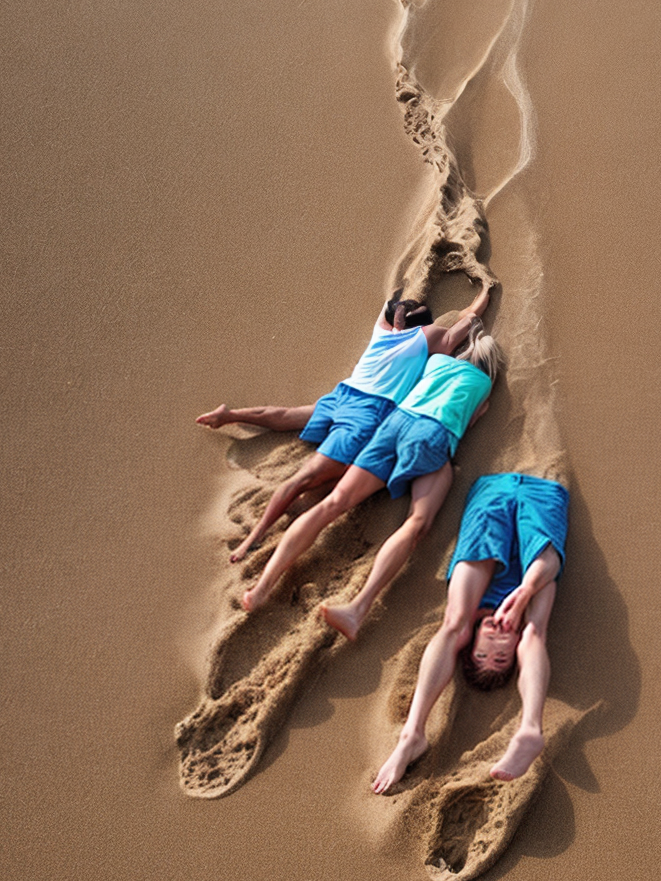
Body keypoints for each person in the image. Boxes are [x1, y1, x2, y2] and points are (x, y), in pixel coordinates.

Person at [196, 283, 493, 562]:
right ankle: (255, 539)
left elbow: (391, 302)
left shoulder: (382, 331)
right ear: (424, 325)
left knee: (286, 416)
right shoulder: (429, 339)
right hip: (368, 411)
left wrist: (399, 301)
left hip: (342, 394)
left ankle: (229, 416)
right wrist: (485, 291)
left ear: (397, 321)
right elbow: (468, 317)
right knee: (316, 479)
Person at [240, 320, 501, 613]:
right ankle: (357, 609)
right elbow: (471, 419)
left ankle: (261, 589)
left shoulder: (437, 361)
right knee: (417, 522)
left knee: (333, 503)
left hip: (395, 424)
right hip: (432, 434)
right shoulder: (485, 388)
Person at [371, 473, 569, 793]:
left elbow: (455, 627)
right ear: (515, 650)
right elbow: (548, 561)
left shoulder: (466, 617)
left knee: (453, 621)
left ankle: (412, 734)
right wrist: (523, 595)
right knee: (537, 629)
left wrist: (478, 617)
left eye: (482, 653)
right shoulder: (527, 628)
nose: (494, 641)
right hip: (544, 493)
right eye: (502, 655)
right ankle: (531, 727)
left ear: (469, 643)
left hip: (491, 489)